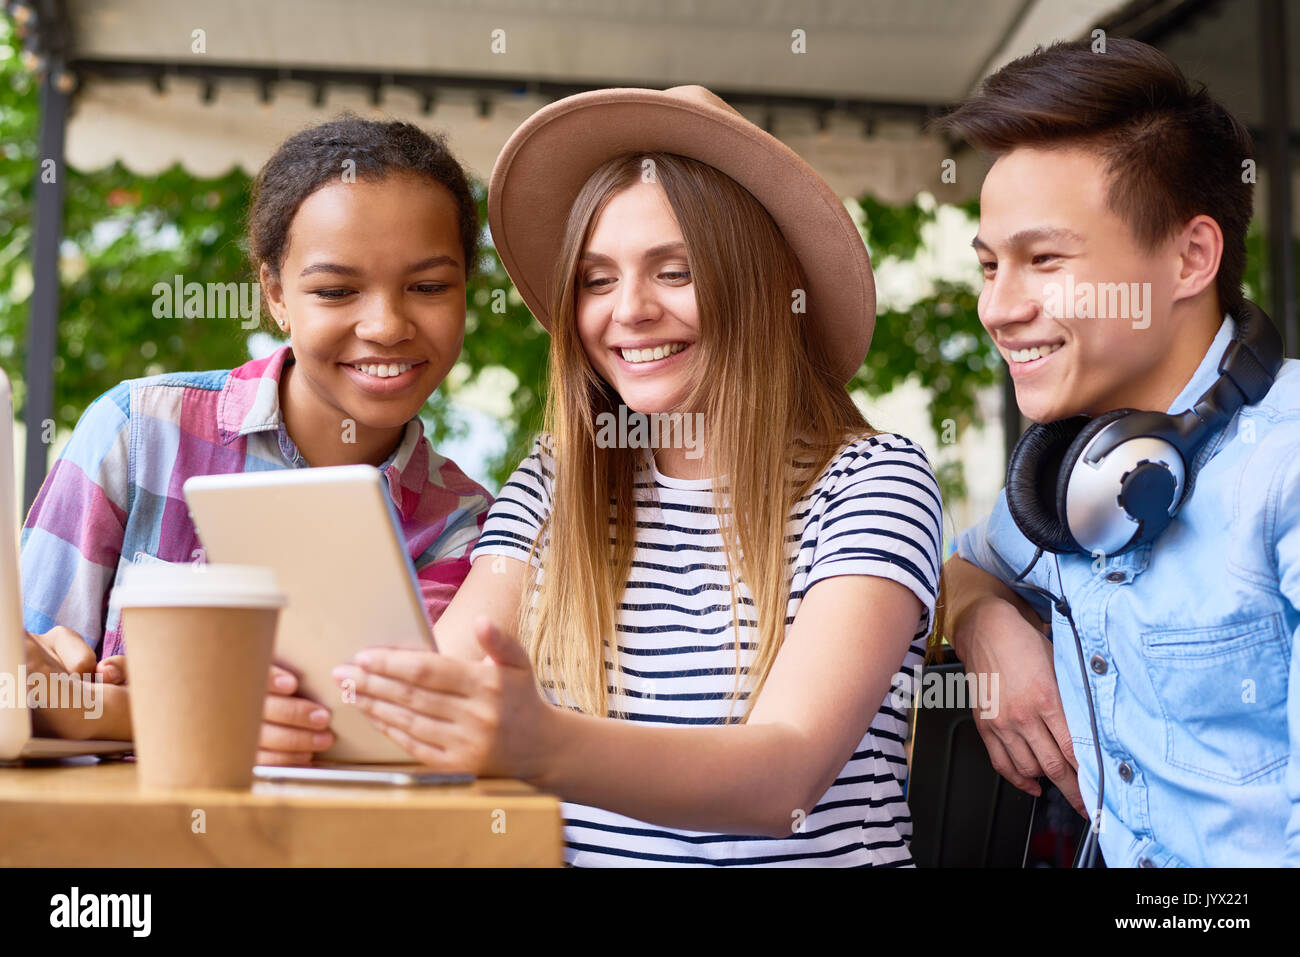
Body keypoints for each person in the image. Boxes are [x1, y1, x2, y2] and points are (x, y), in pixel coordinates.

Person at [331, 86, 943, 866]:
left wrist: (543, 743)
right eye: (596, 279)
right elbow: (430, 696)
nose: (630, 310)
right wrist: (320, 712)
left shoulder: (871, 480)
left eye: (675, 271)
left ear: (761, 284)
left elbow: (784, 778)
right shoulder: (554, 481)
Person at [19, 116, 492, 765]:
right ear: (275, 295)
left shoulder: (466, 526)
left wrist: (141, 709)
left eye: (429, 287)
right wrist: (167, 711)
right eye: (336, 290)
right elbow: (23, 688)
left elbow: (386, 740)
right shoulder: (138, 433)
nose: (386, 325)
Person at [934, 38, 1299, 866]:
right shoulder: (1065, 473)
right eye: (989, 267)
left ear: (1189, 257)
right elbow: (962, 565)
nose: (998, 308)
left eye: (1044, 260)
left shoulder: (1285, 466)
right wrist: (983, 621)